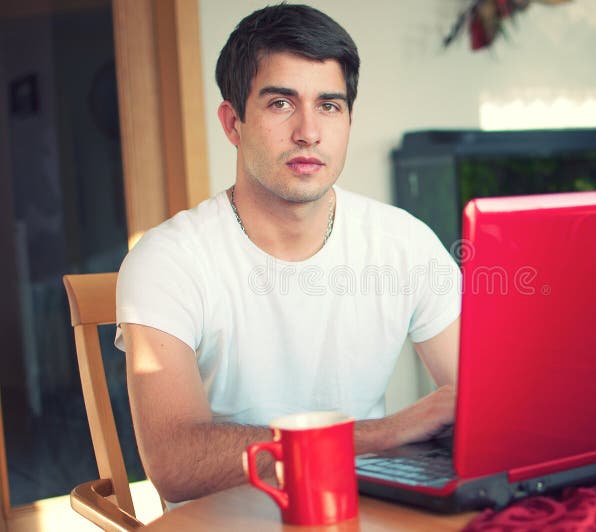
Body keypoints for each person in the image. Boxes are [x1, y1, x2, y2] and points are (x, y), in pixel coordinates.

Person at [115, 3, 461, 504]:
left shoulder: (404, 242)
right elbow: (176, 462)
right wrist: (383, 433)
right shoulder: (167, 261)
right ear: (233, 123)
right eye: (281, 103)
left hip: (364, 513)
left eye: (329, 105)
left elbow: (480, 408)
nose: (309, 132)